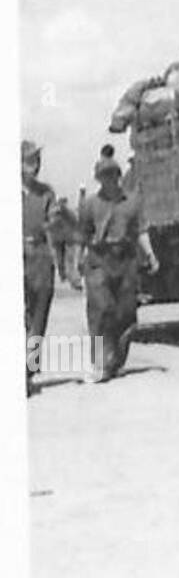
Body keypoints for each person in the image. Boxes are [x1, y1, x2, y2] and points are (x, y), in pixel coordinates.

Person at [78, 151, 159, 383]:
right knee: (101, 311)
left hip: (125, 261)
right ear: (98, 178)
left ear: (119, 176)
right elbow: (82, 237)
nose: (109, 179)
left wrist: (151, 255)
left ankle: (116, 361)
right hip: (99, 260)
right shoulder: (89, 205)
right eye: (104, 175)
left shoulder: (132, 202)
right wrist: (75, 266)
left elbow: (141, 231)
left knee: (126, 313)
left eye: (113, 174)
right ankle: (100, 364)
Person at [22, 140, 58, 395]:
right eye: (28, 161)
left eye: (36, 161)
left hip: (40, 256)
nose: (34, 167)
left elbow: (54, 225)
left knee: (38, 318)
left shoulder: (47, 193)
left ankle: (29, 370)